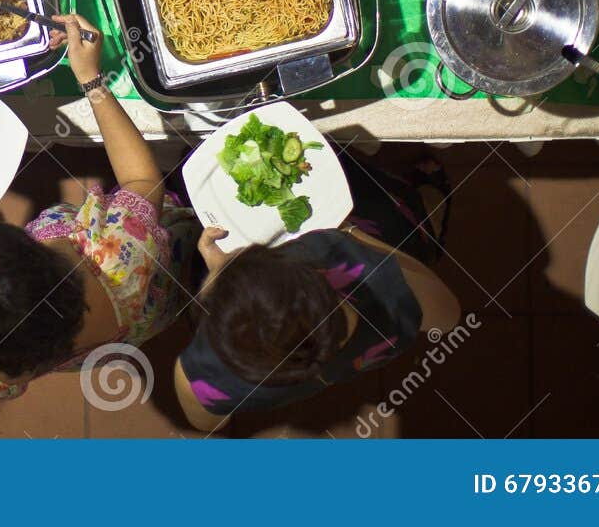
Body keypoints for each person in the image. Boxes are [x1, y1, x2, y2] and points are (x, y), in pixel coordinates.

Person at [0, 13, 198, 399]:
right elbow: (141, 181)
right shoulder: (123, 255)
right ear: (41, 252)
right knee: (184, 252)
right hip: (154, 284)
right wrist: (91, 80)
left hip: (105, 340)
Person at [173, 154, 460, 429]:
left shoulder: (204, 376)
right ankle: (430, 210)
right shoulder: (371, 279)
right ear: (311, 275)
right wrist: (347, 233)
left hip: (339, 366)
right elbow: (449, 316)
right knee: (405, 221)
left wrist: (221, 282)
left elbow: (208, 422)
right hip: (372, 259)